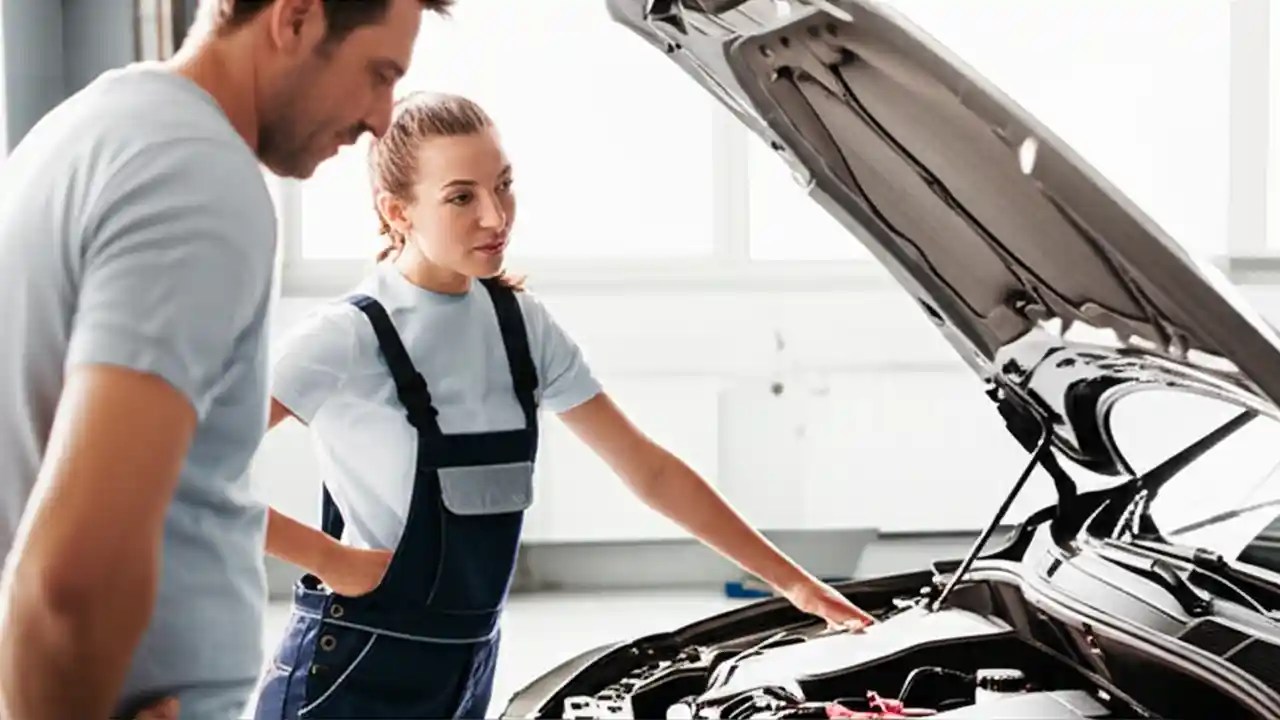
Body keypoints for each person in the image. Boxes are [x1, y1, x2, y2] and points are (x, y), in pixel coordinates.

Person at [252, 91, 877, 720]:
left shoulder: (521, 326)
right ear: (397, 212)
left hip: (466, 673)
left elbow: (649, 470)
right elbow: (182, 473)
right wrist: (334, 562)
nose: (496, 217)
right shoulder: (344, 337)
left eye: (505, 186)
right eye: (461, 197)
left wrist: (795, 583)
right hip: (345, 678)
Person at [0, 1, 451, 717]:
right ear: (295, 18)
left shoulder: (88, 128)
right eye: (377, 74)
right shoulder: (196, 178)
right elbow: (71, 581)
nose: (380, 117)